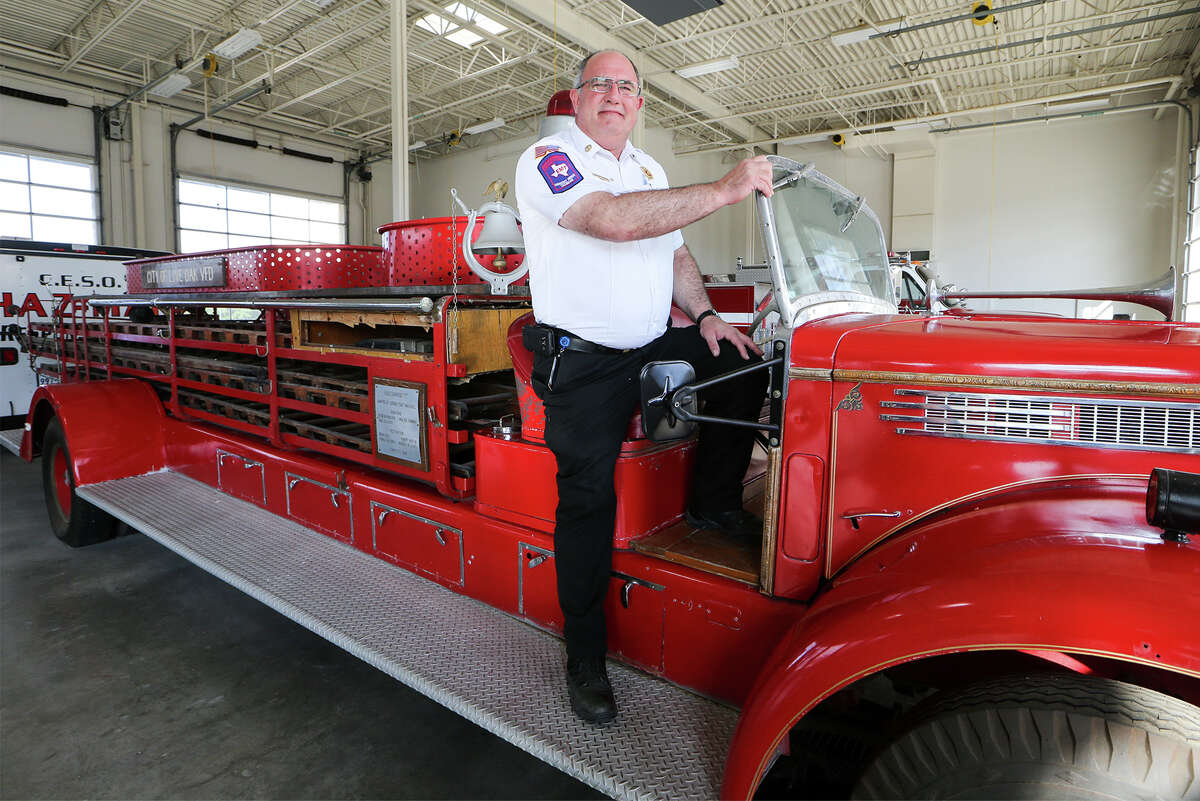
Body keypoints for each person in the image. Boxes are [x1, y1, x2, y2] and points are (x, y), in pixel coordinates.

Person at [514, 49, 774, 725]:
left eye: (625, 86)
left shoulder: (650, 169)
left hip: (648, 343)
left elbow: (675, 252)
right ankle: (585, 654)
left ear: (639, 103)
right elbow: (612, 220)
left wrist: (711, 316)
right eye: (598, 84)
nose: (612, 94)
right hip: (584, 362)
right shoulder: (549, 160)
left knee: (746, 363)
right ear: (574, 98)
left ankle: (713, 503)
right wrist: (723, 189)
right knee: (588, 501)